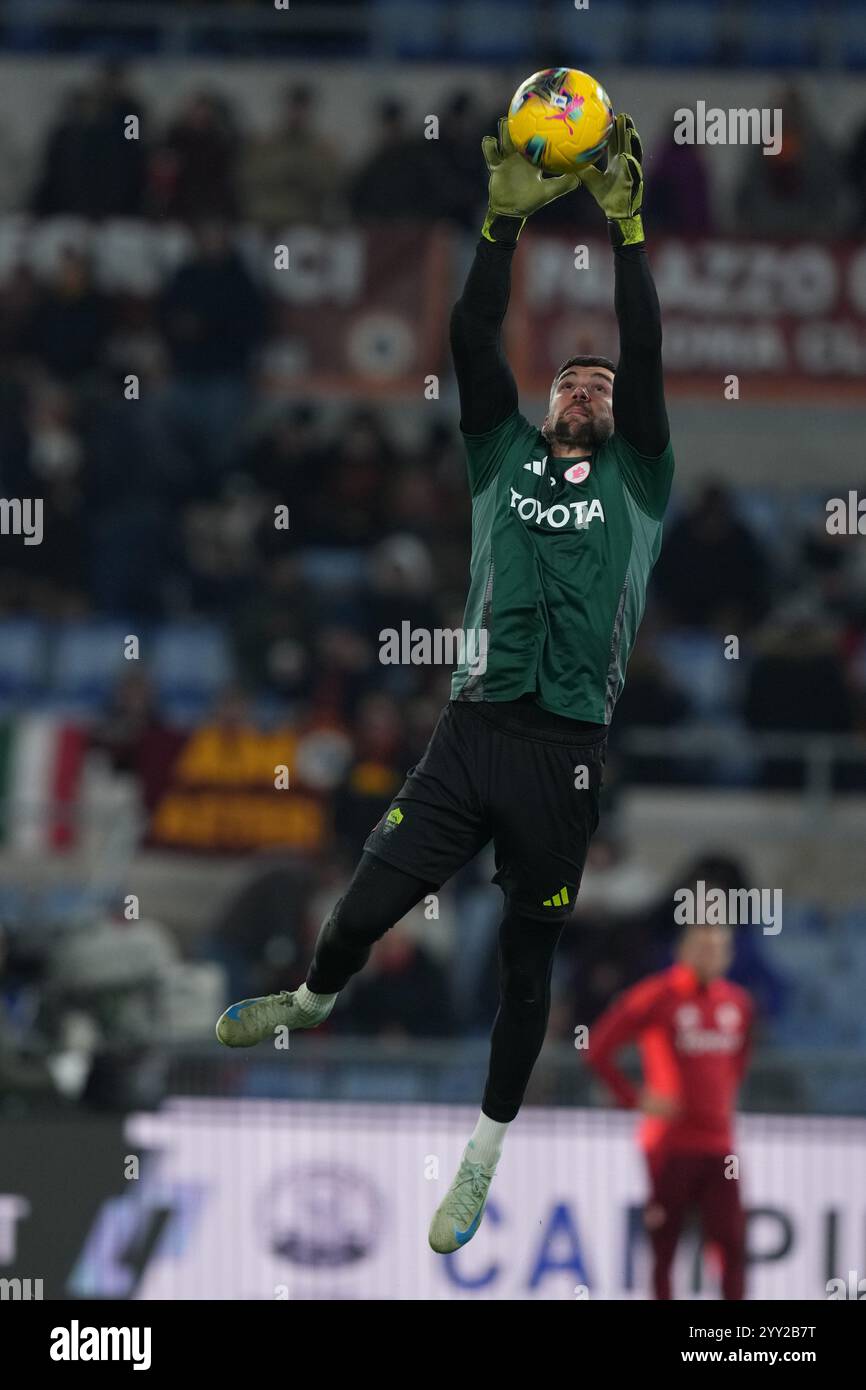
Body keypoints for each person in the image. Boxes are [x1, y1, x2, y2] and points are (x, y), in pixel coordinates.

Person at [216, 112, 675, 1254]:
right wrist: (502, 220)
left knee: (526, 966)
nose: (582, 389)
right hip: (468, 733)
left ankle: (480, 1156)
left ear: (619, 418)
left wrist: (624, 227)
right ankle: (316, 997)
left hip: (563, 751)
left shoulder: (640, 482)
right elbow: (472, 330)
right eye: (567, 379)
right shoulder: (499, 453)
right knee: (362, 908)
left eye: (597, 386)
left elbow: (646, 345)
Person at [586, 924, 754, 1300]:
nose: (711, 956)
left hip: (719, 1144)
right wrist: (635, 1098)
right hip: (669, 1145)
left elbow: (738, 1061)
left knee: (731, 1242)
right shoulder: (655, 996)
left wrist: (721, 1099)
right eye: (703, 947)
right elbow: (597, 1049)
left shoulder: (738, 1003)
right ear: (683, 950)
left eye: (719, 948)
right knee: (665, 1245)